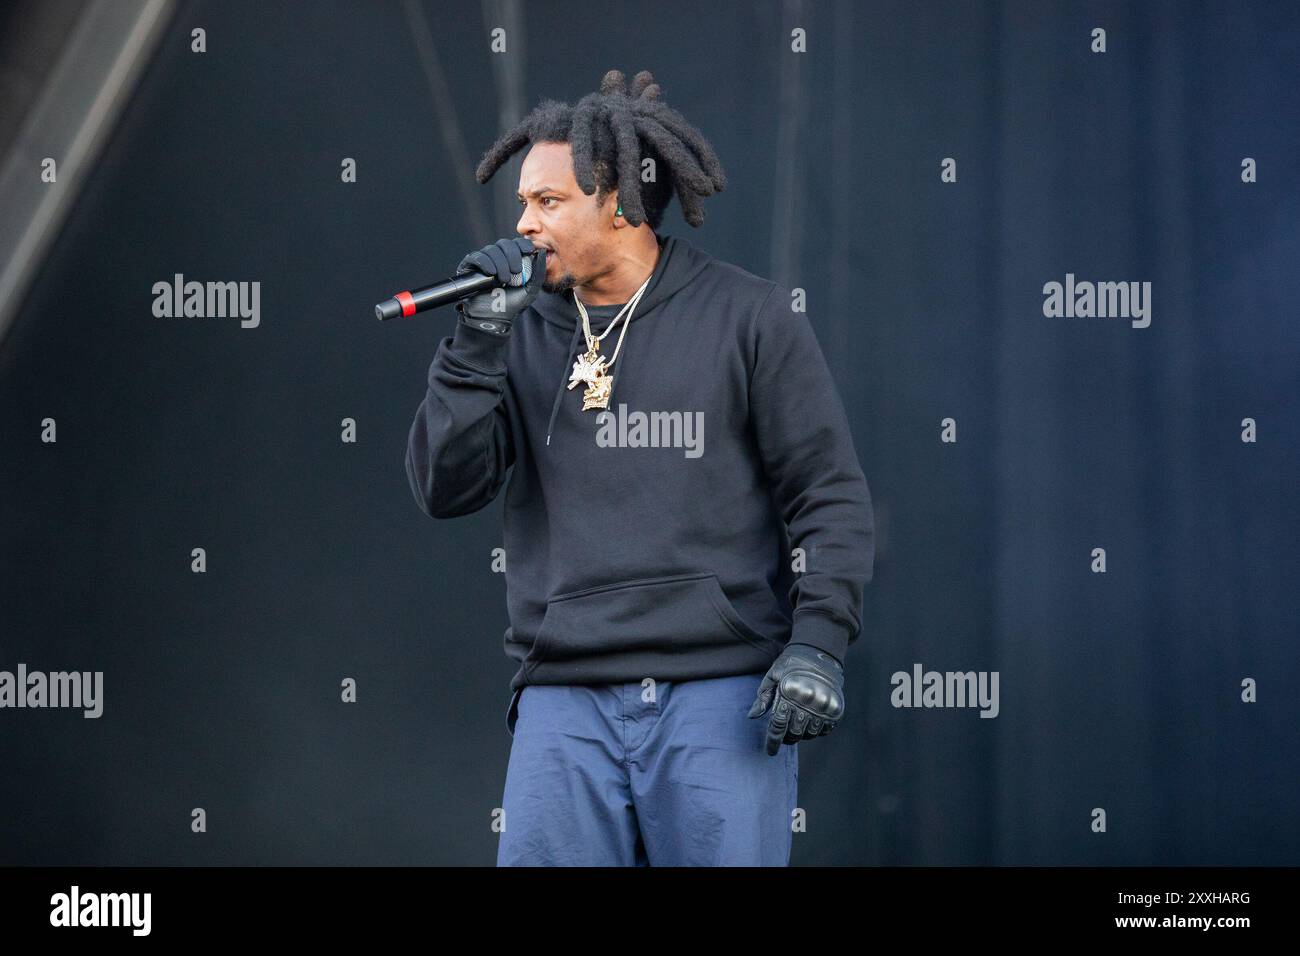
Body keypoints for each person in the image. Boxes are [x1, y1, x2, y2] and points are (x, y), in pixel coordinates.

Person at [406, 69, 874, 866]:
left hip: (718, 690)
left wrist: (820, 641)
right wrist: (474, 344)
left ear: (617, 202)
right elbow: (444, 491)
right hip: (565, 693)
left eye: (547, 203)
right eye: (522, 202)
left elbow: (827, 494)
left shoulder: (748, 316)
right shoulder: (514, 331)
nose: (523, 224)